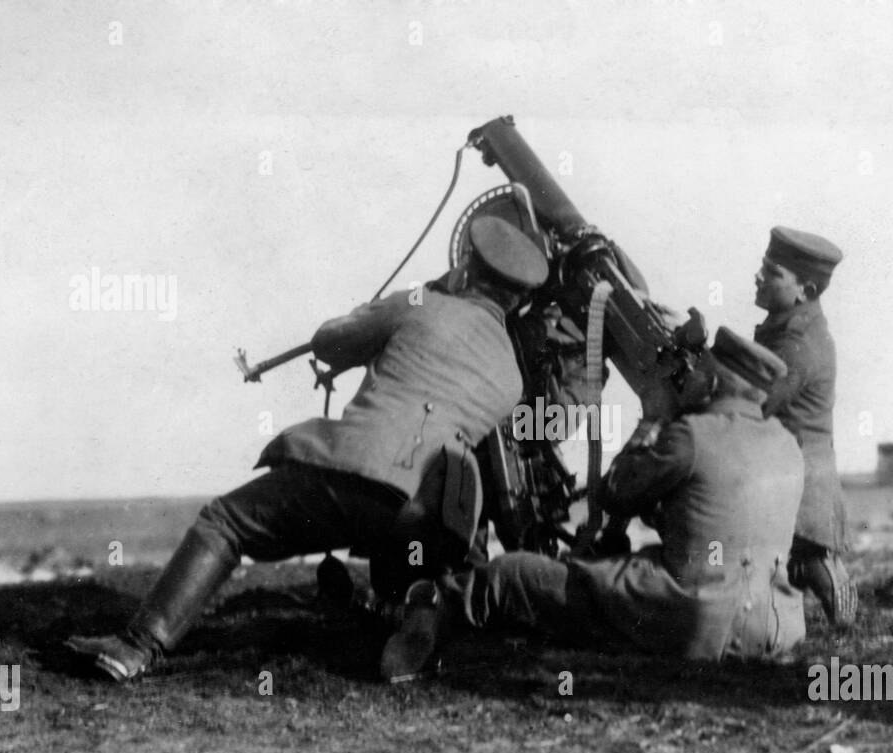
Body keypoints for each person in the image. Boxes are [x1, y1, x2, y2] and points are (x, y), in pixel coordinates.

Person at [66, 216, 549, 683]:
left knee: (226, 522)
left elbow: (330, 341)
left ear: (464, 267)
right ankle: (422, 602)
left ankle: (137, 646)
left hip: (366, 473)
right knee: (416, 549)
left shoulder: (423, 304)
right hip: (436, 513)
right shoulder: (510, 373)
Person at [386, 328, 808, 671]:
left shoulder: (692, 435)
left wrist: (653, 419)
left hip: (693, 624)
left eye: (700, 372)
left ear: (713, 381)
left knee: (512, 574)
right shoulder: (787, 445)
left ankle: (429, 615)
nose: (690, 378)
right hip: (776, 628)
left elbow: (616, 491)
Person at [752, 225, 858, 628]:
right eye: (762, 267)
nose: (759, 277)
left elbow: (756, 402)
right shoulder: (789, 328)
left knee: (817, 560)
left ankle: (846, 623)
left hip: (802, 476)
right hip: (792, 466)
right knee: (803, 558)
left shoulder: (798, 344)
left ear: (806, 291)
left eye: (772, 272)